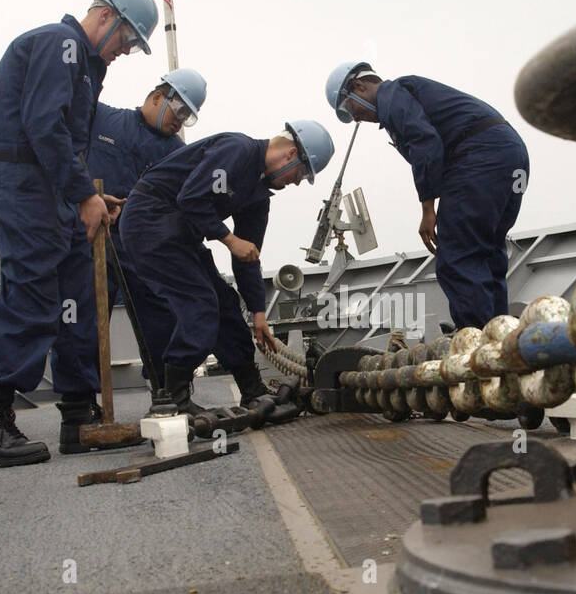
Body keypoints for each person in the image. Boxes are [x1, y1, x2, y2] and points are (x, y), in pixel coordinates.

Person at [0, 0, 158, 467]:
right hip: (22, 187)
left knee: (80, 296)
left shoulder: (84, 65)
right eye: (128, 39)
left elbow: (66, 139)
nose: (126, 51)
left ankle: (78, 414)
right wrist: (83, 194)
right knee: (32, 293)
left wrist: (88, 196)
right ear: (106, 17)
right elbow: (44, 126)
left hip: (52, 193)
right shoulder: (61, 44)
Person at [119, 121, 335, 416]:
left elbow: (248, 254)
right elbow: (191, 198)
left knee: (225, 306)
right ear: (291, 154)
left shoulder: (258, 195)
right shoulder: (237, 150)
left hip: (181, 232)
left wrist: (258, 311)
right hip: (149, 222)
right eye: (300, 173)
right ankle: (173, 400)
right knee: (200, 304)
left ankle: (252, 390)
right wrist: (230, 240)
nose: (296, 182)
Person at [324, 62, 529, 329]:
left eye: (348, 108)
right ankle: (499, 334)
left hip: (481, 158)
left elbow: (425, 142)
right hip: (513, 158)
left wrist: (428, 209)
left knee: (457, 256)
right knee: (488, 251)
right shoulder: (411, 93)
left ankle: (479, 340)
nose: (355, 118)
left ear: (359, 87)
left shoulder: (391, 95)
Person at [87, 69, 208, 387]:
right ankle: (81, 402)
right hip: (93, 237)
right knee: (86, 316)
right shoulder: (101, 119)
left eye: (188, 117)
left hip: (143, 245)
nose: (180, 121)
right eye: (179, 111)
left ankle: (168, 392)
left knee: (159, 314)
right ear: (157, 97)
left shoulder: (178, 153)